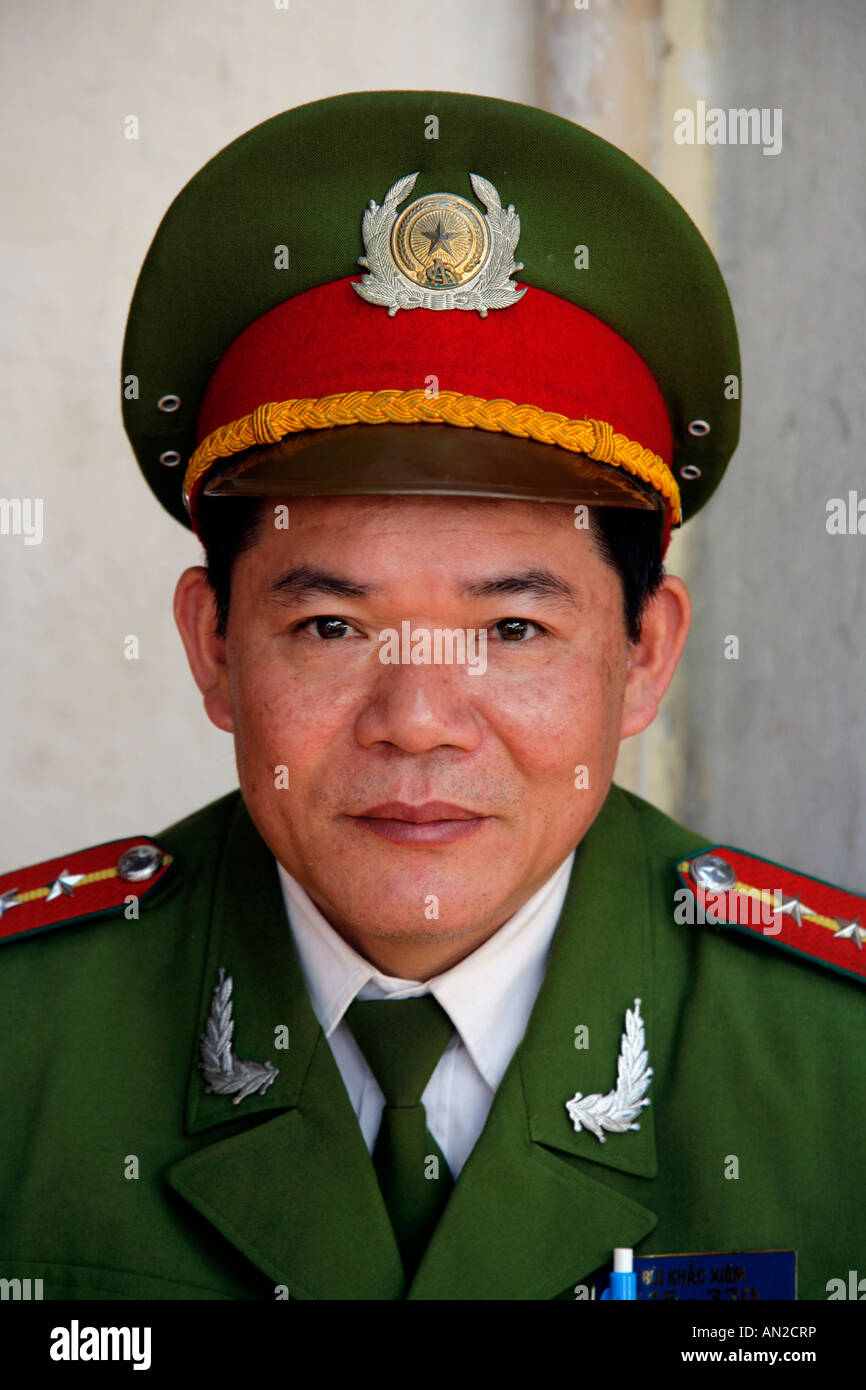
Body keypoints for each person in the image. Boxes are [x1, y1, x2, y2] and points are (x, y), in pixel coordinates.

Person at [1, 90, 863, 1303]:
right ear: (212, 651)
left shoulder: (835, 1064)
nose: (415, 718)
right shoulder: (23, 1039)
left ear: (642, 656)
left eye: (511, 627)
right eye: (331, 625)